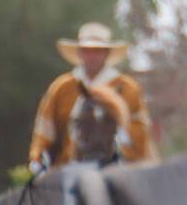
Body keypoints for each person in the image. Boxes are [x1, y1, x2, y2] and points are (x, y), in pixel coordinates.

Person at [28, 22, 157, 171]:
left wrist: (122, 139)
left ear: (106, 53)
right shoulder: (62, 88)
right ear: (80, 53)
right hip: (68, 168)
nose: (92, 56)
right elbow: (46, 129)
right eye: (87, 51)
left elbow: (140, 131)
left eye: (97, 51)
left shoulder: (128, 89)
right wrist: (38, 158)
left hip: (117, 168)